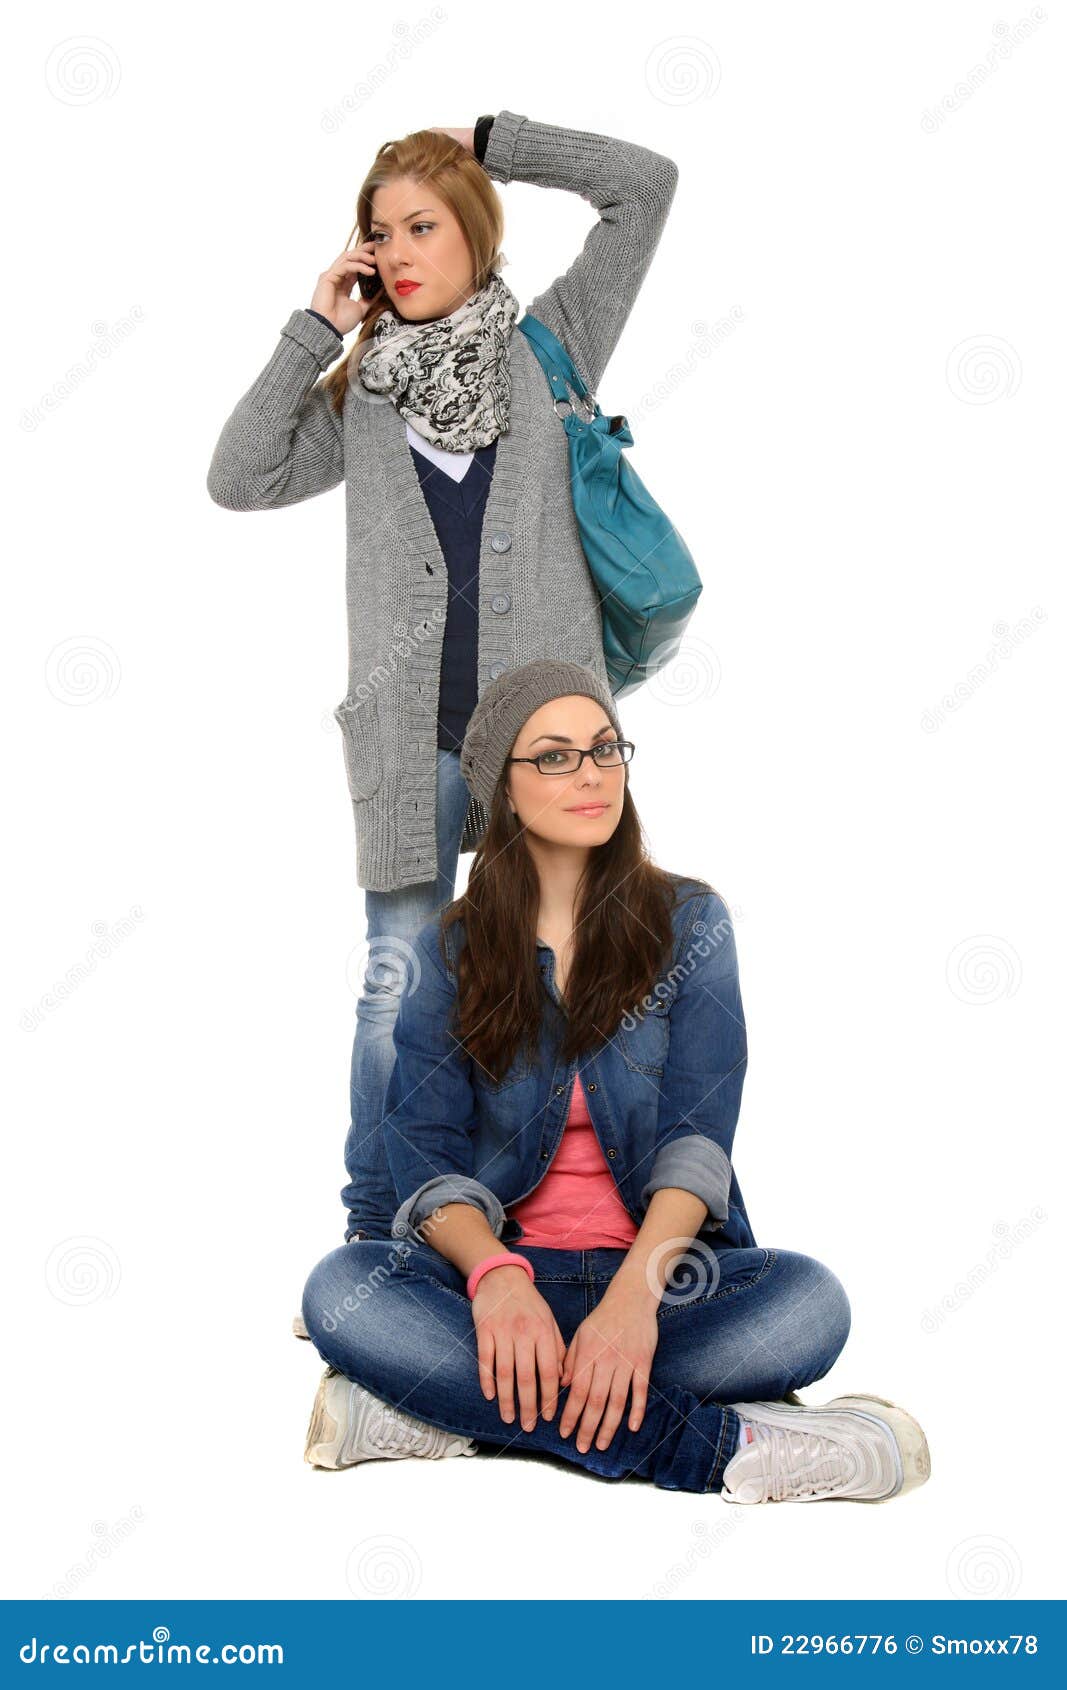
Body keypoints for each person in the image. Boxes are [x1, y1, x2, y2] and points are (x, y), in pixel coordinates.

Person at [206, 113, 681, 1244]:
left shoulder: (553, 338)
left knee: (563, 977)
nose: (401, 251)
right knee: (399, 992)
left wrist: (490, 138)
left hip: (549, 737)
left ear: (473, 232)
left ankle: (551, 1222)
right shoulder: (363, 388)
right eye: (381, 233)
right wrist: (315, 325)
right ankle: (380, 1232)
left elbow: (644, 186)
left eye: (424, 225)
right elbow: (239, 476)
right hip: (408, 736)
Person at [300, 661, 932, 1503]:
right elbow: (421, 1154)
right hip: (498, 1282)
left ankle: (441, 1413)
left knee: (810, 1306)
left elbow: (697, 1142)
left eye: (604, 748)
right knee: (341, 1292)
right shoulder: (447, 952)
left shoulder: (689, 921)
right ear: (503, 789)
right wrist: (495, 1280)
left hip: (664, 1282)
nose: (591, 772)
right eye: (554, 757)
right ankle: (724, 1450)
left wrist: (634, 1301)